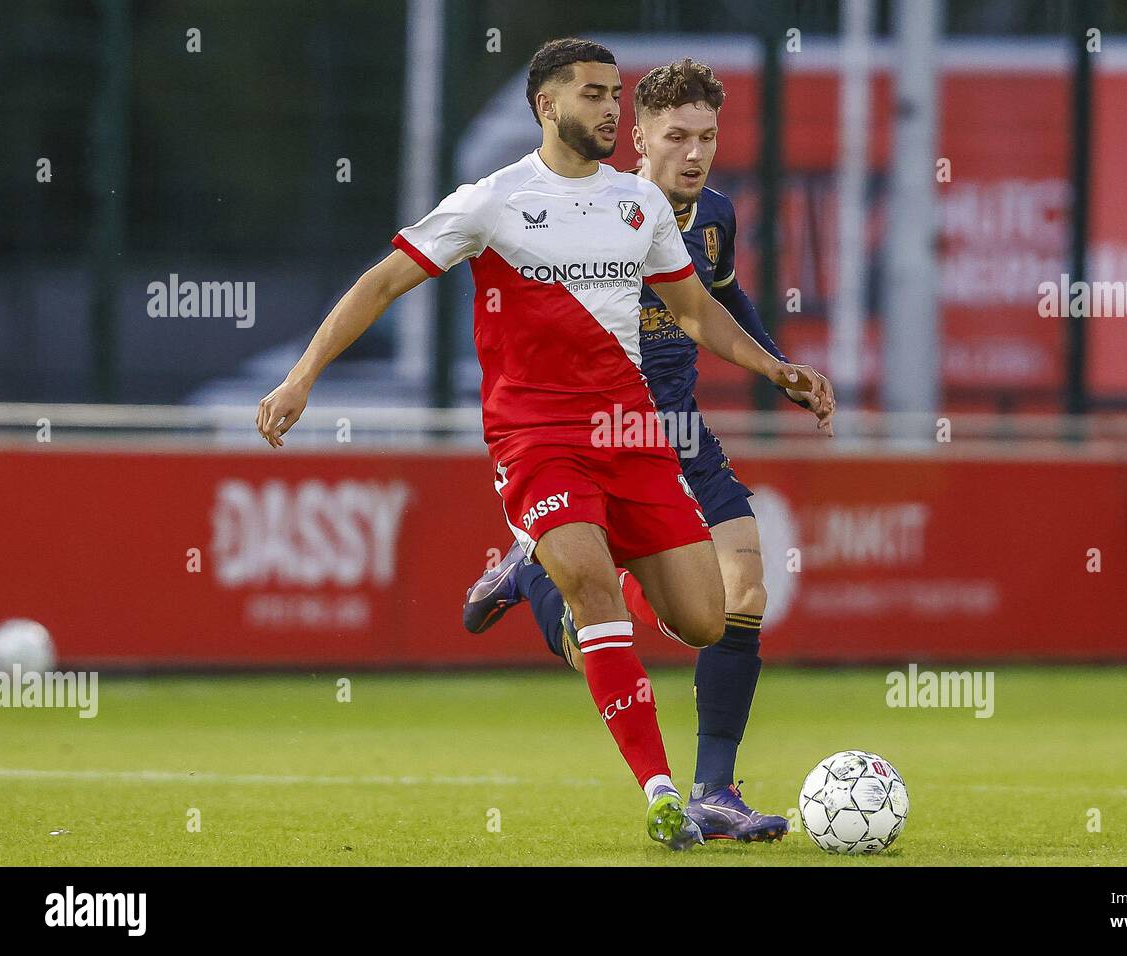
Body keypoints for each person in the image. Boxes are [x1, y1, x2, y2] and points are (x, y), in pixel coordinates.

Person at [256, 38, 834, 851]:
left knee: (708, 619)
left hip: (634, 433)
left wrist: (777, 369)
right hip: (537, 437)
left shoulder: (636, 208)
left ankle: (529, 570)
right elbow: (384, 279)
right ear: (547, 106)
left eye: (613, 93)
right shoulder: (492, 201)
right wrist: (302, 376)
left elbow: (699, 314)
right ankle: (665, 791)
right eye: (593, 94)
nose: (608, 107)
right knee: (594, 587)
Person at [463, 58, 833, 843]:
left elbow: (720, 296)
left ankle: (715, 791)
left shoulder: (713, 217)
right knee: (602, 617)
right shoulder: (600, 213)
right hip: (606, 432)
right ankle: (534, 575)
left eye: (707, 137)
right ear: (638, 138)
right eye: (676, 138)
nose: (693, 154)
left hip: (681, 427)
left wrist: (779, 368)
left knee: (746, 590)